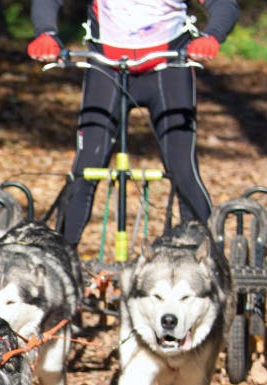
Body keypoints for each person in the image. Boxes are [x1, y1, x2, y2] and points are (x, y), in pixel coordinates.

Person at [27, 0, 239, 248]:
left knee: (183, 170)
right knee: (85, 169)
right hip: (107, 65)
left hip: (168, 65)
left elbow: (224, 4)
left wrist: (211, 36)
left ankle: (205, 255)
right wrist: (46, 33)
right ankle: (60, 253)